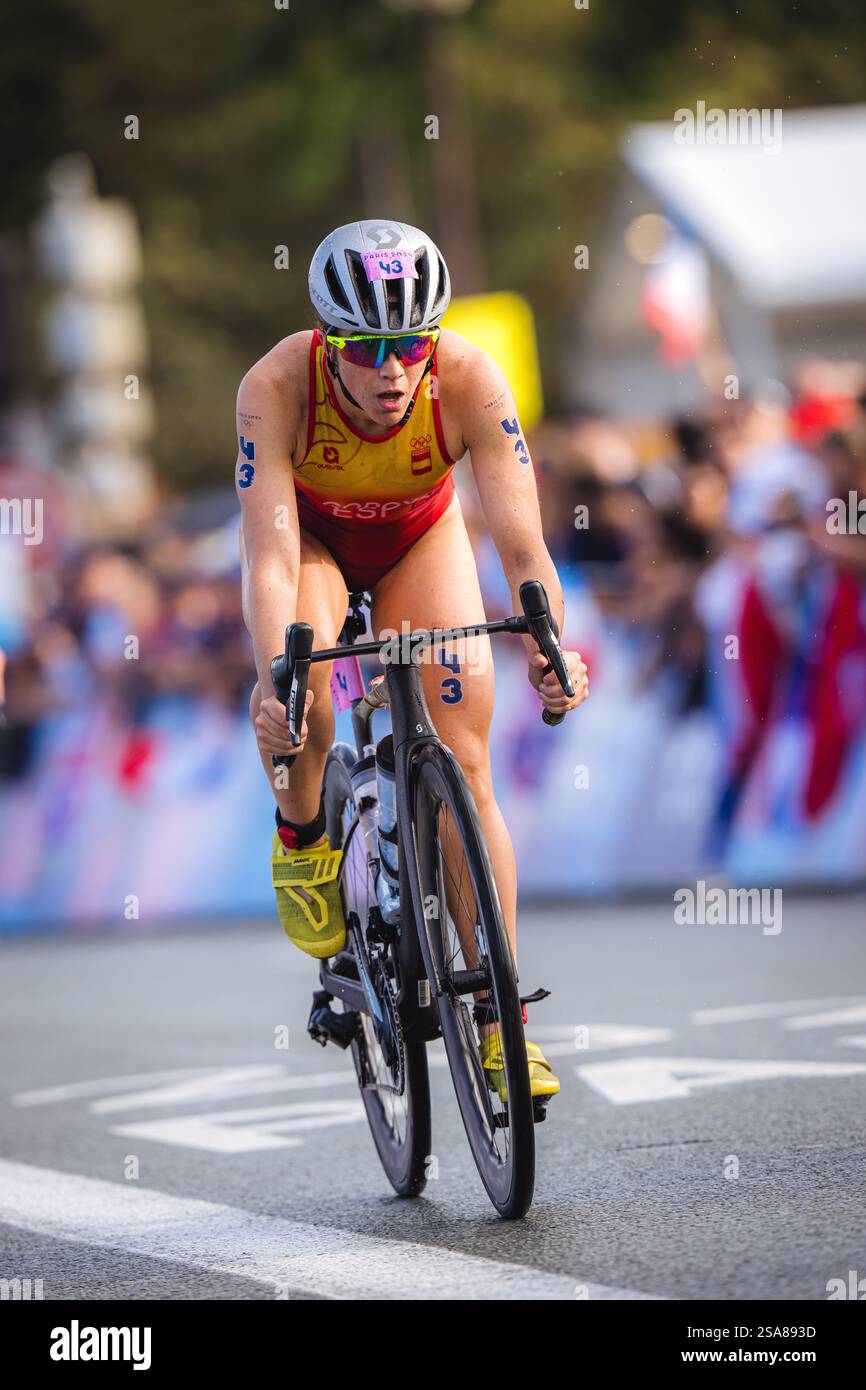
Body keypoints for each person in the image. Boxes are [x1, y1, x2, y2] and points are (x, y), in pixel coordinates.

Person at [236, 219, 588, 1104]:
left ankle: (501, 1024)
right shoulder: (275, 386)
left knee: (467, 763)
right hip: (313, 545)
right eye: (367, 347)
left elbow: (520, 541)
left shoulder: (469, 376)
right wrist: (273, 679)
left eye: (411, 343)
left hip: (418, 540)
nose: (393, 369)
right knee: (308, 688)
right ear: (328, 339)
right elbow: (271, 561)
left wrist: (552, 644)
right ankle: (302, 828)